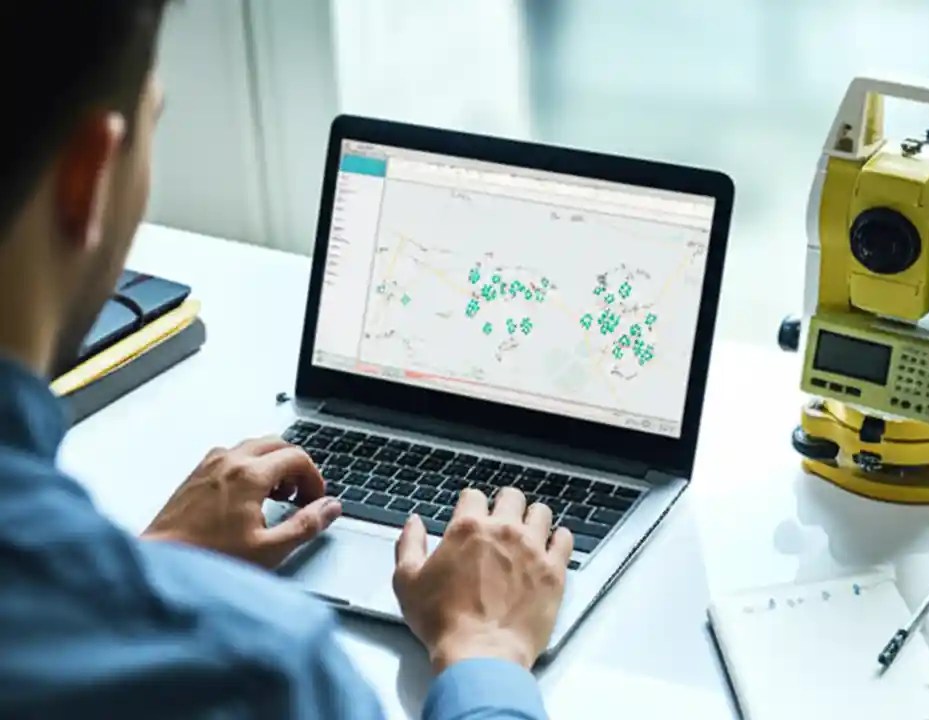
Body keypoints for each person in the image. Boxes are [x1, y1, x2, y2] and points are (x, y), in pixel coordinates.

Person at [0, 2, 570, 718]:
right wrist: (484, 653)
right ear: (90, 176)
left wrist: (155, 559)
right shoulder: (257, 673)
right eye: (156, 121)